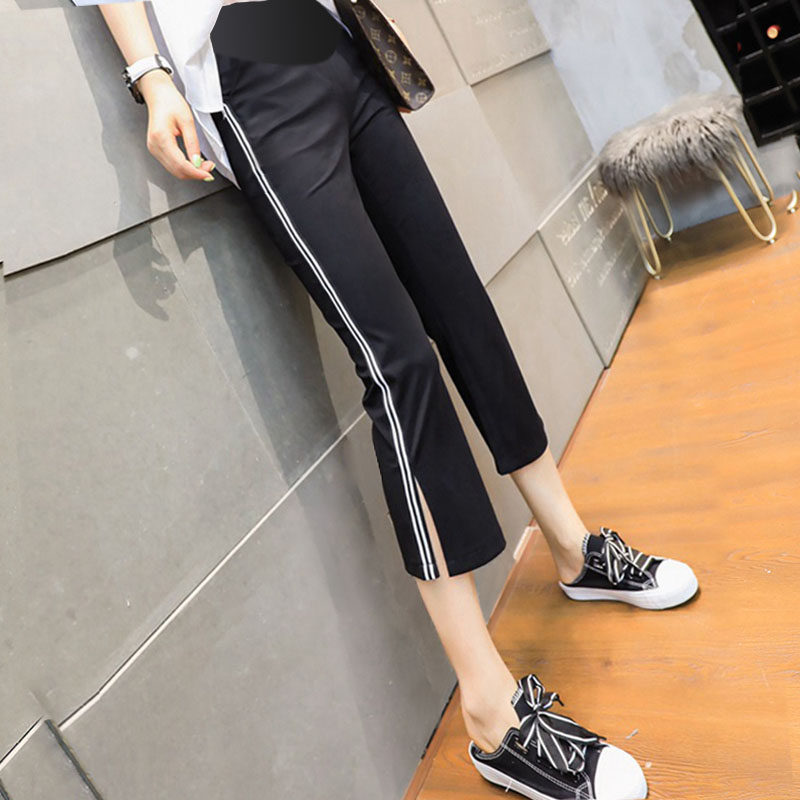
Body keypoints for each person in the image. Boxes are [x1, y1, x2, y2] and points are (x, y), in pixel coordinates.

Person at [95, 2, 699, 798]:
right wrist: (151, 78)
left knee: (460, 304)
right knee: (397, 364)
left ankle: (574, 550)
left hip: (331, 41)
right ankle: (490, 713)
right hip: (242, 69)